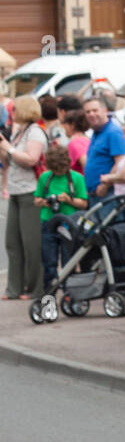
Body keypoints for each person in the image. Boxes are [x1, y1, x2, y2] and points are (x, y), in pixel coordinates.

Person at [2, 95, 51, 298]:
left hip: (31, 191)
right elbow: (8, 161)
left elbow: (31, 159)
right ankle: (14, 286)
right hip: (16, 190)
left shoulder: (35, 133)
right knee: (12, 242)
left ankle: (36, 287)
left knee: (32, 243)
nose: (11, 113)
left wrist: (9, 148)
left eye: (14, 109)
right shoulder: (19, 132)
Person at [32, 142, 88, 291]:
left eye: (61, 170)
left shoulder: (76, 178)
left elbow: (83, 203)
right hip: (48, 222)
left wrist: (69, 200)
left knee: (68, 260)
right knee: (49, 261)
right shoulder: (45, 177)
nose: (58, 173)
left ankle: (69, 293)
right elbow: (37, 200)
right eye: (55, 170)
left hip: (68, 223)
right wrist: (46, 202)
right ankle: (49, 293)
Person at [81, 96, 125, 210]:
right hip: (95, 194)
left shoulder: (113, 132)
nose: (91, 114)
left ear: (105, 111)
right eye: (87, 112)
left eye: (95, 110)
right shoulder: (96, 132)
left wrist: (105, 185)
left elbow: (120, 163)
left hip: (108, 195)